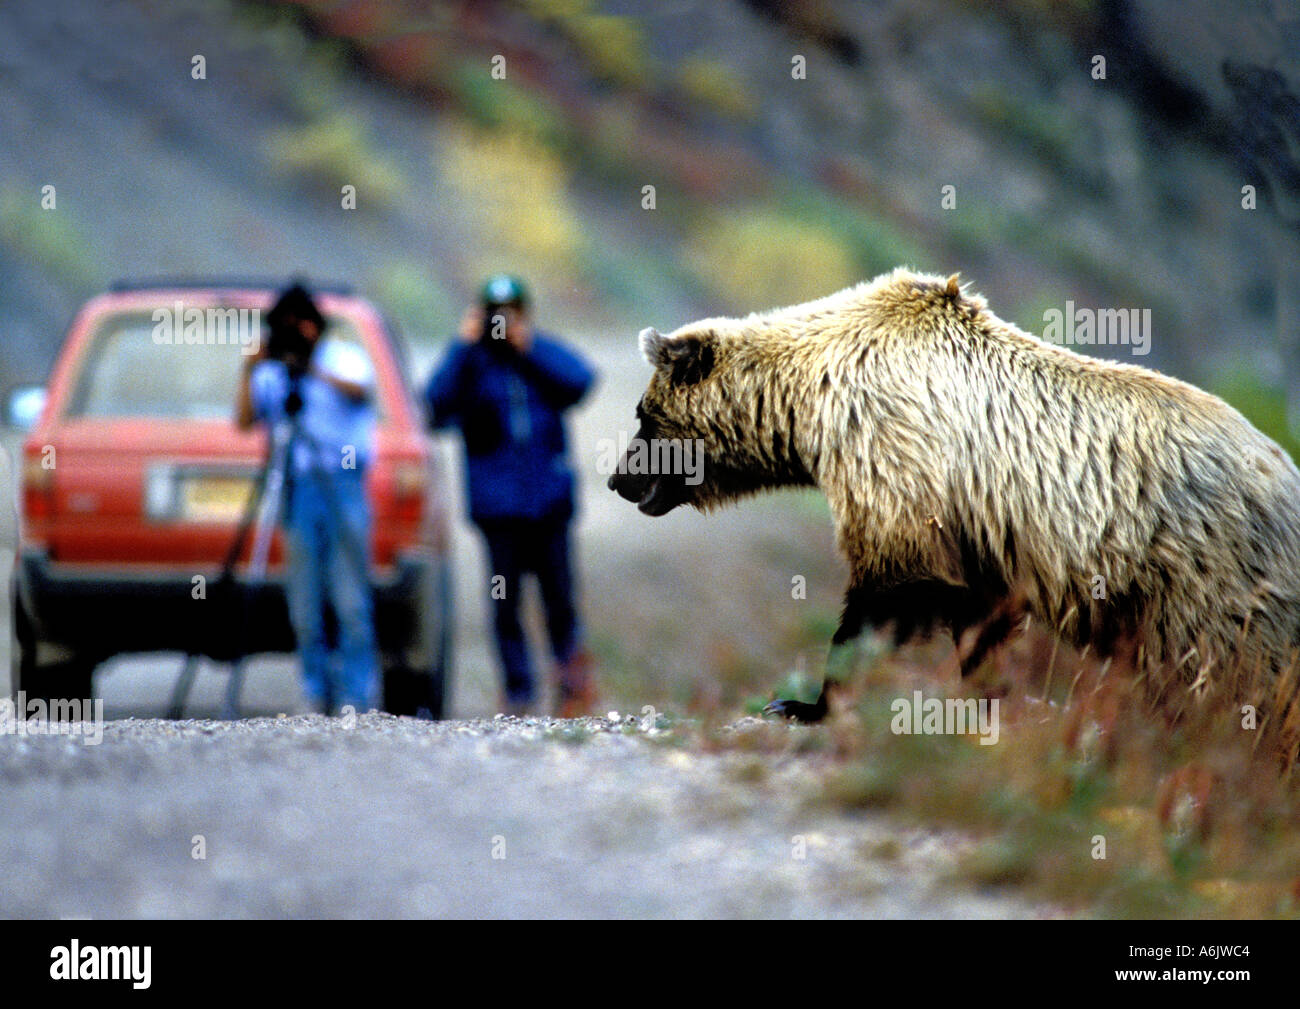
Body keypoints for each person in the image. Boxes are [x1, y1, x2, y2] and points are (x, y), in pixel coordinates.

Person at [425, 275, 597, 716]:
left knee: (559, 597)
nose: (503, 323)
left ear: (525, 313)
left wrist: (529, 347)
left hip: (549, 504)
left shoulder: (539, 353)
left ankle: (572, 684)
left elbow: (581, 382)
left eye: (512, 312)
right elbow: (433, 408)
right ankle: (518, 692)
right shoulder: (471, 363)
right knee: (505, 603)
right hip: (498, 508)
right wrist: (464, 346)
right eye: (495, 313)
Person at [235, 282, 380, 714]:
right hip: (299, 490)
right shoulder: (273, 371)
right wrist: (249, 371)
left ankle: (359, 695)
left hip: (344, 483)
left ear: (317, 326)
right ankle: (314, 690)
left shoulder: (344, 359)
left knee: (351, 597)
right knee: (304, 602)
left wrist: (312, 367)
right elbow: (244, 421)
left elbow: (361, 391)